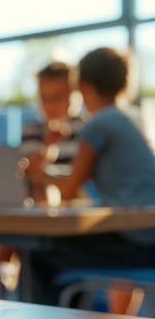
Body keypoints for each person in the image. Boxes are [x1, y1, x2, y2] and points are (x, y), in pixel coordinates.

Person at [25, 47, 155, 305]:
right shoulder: (130, 120)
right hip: (147, 238)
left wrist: (41, 175)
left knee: (38, 252)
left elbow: (68, 190)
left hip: (138, 245)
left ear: (83, 86)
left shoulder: (98, 125)